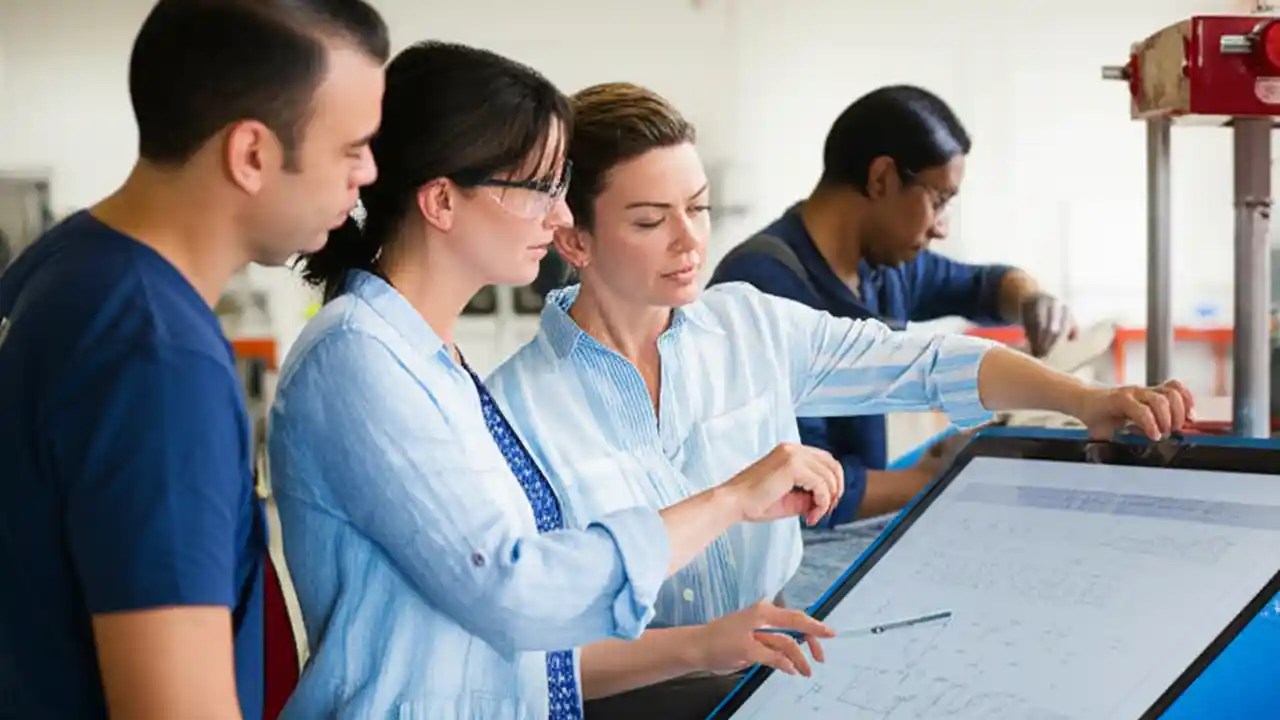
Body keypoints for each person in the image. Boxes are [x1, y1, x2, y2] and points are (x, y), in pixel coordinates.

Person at [484, 81, 1194, 719]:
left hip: (770, 673)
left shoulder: (749, 324)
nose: (689, 240)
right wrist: (701, 646)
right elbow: (526, 660)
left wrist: (1085, 400)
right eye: (649, 221)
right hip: (631, 703)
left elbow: (924, 361)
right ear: (573, 238)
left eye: (697, 208)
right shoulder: (513, 410)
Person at [267, 41, 841, 720]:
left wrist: (702, 643)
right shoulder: (356, 360)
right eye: (537, 188)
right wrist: (728, 501)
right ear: (443, 201)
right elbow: (516, 590)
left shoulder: (426, 357)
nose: (562, 216)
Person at [0, 2, 388, 718]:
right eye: (352, 148)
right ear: (251, 154)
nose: (366, 174)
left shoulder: (60, 271)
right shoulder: (155, 356)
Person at [708, 84, 1082, 525]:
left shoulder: (885, 266)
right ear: (881, 178)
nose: (941, 227)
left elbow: (983, 285)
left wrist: (1030, 298)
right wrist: (934, 475)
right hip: (791, 543)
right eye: (938, 200)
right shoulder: (761, 289)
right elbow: (791, 487)